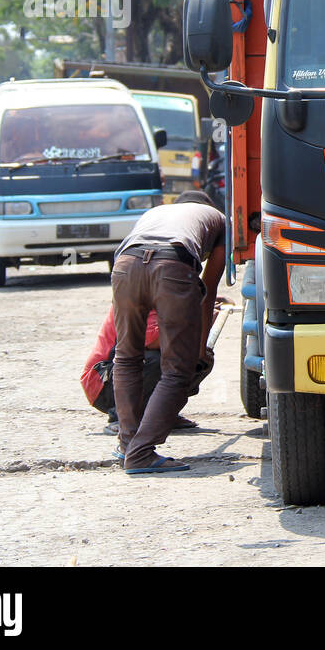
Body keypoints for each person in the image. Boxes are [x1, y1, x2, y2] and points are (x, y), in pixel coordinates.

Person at [110, 189, 225, 474]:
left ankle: (127, 444)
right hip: (172, 264)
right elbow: (208, 291)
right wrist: (199, 350)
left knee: (126, 358)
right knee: (177, 370)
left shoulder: (156, 212)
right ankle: (141, 453)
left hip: (125, 264)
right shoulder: (219, 220)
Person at [80, 305, 212, 434]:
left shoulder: (168, 296)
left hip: (121, 375)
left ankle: (162, 413)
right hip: (103, 383)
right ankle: (123, 417)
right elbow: (152, 342)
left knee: (202, 358)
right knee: (157, 360)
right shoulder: (140, 295)